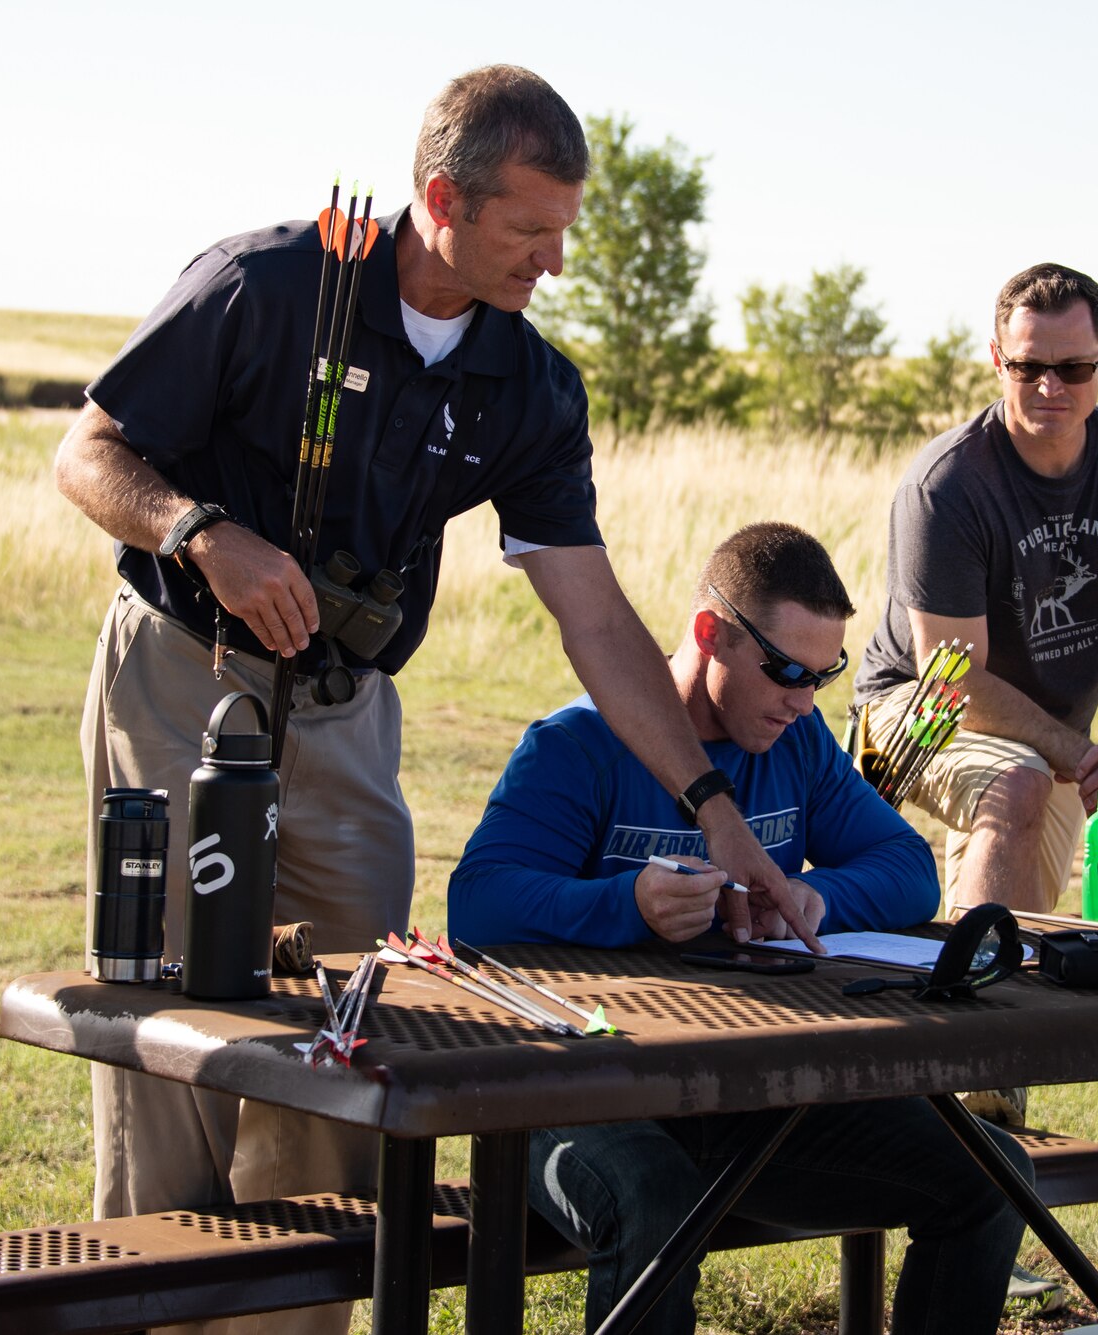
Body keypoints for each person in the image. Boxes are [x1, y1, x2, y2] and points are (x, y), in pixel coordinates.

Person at [55, 66, 802, 1335]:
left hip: (347, 714)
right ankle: (148, 1311)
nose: (552, 261)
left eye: (566, 229)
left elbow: (594, 616)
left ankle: (291, 1322)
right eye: (528, 229)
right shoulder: (267, 285)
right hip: (184, 676)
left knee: (348, 1033)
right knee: (171, 1018)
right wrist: (203, 534)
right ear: (440, 198)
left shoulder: (532, 384)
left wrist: (714, 807)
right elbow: (87, 452)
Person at [449, 522, 1032, 1335]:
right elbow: (476, 904)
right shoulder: (579, 745)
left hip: (741, 1094)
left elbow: (906, 865)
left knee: (992, 1171)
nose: (803, 698)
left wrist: (814, 897)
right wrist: (630, 905)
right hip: (572, 1094)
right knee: (656, 1196)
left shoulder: (797, 747)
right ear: (709, 634)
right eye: (787, 669)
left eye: (825, 673)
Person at [854, 263, 1098, 920]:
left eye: (1073, 368)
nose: (1051, 386)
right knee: (1015, 782)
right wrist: (1082, 757)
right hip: (911, 701)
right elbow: (952, 676)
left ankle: (990, 991)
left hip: (1047, 733)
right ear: (997, 360)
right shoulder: (947, 484)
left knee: (1026, 927)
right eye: (1027, 368)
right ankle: (978, 1007)